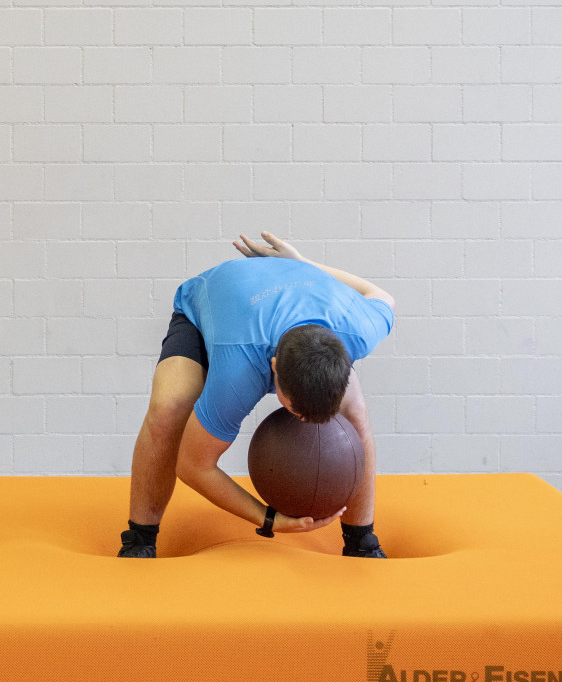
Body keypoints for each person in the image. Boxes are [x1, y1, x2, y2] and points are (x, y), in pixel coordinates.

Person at [119, 231, 394, 559]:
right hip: (211, 304)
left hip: (291, 294)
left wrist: (303, 263)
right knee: (169, 408)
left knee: (356, 414)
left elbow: (380, 295)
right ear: (273, 368)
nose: (303, 422)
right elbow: (192, 465)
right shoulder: (238, 368)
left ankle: (362, 543)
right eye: (297, 411)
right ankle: (139, 540)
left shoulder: (358, 327)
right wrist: (268, 519)